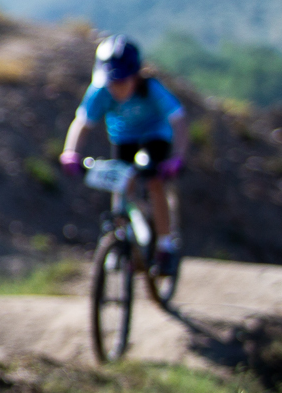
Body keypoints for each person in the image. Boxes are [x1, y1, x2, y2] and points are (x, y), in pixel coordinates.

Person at [58, 34, 189, 275]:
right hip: (123, 139)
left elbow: (178, 120)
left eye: (122, 81)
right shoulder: (100, 90)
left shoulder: (152, 89)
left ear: (136, 75)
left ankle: (165, 246)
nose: (116, 87)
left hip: (155, 136)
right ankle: (120, 241)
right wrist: (70, 153)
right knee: (120, 183)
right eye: (111, 81)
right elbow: (82, 123)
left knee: (153, 180)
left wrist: (176, 157)